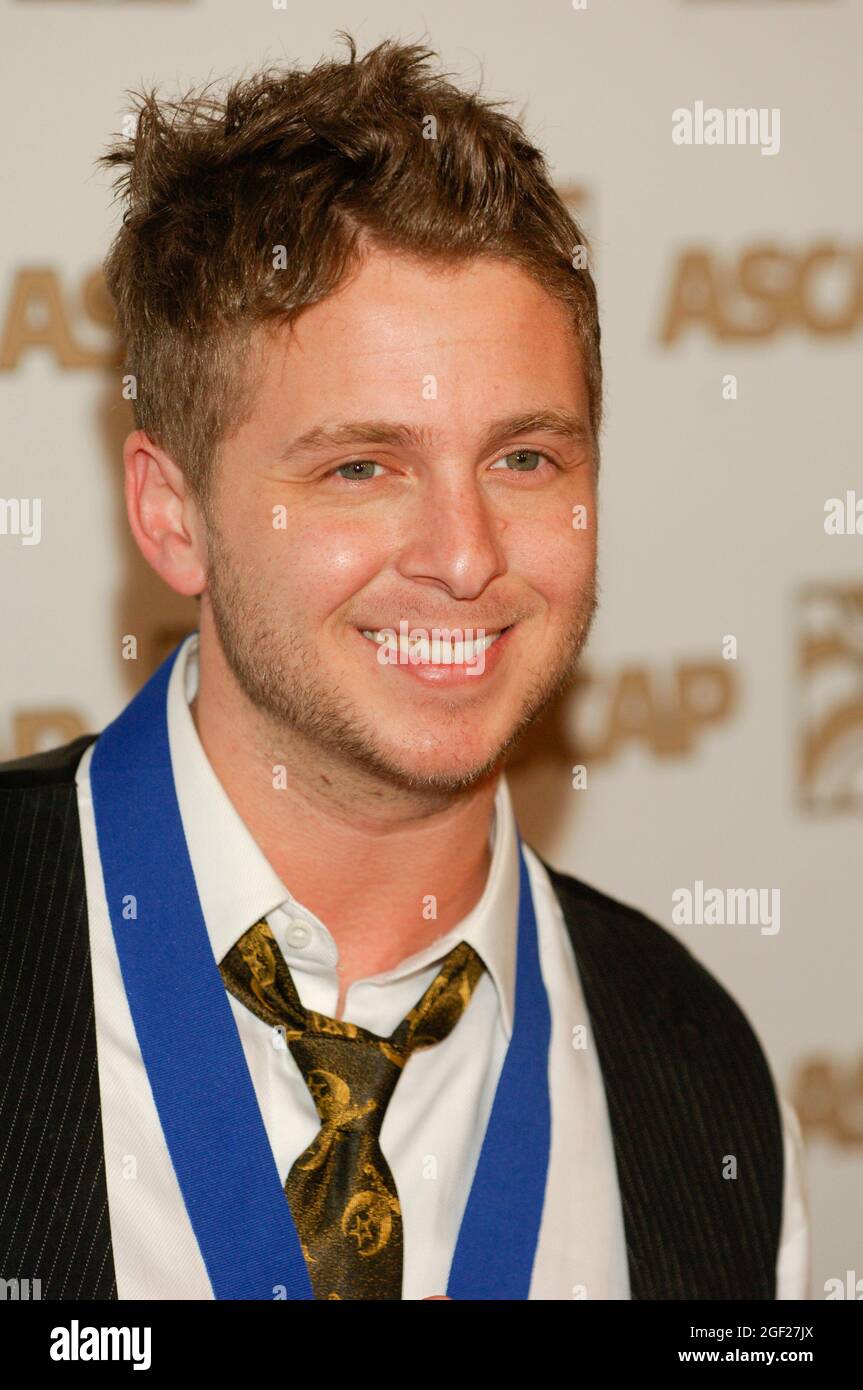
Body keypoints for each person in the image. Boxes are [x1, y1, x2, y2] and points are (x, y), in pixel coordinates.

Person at [0, 33, 808, 1301]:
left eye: (524, 458)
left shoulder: (693, 1068)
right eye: (361, 467)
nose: (464, 555)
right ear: (171, 515)